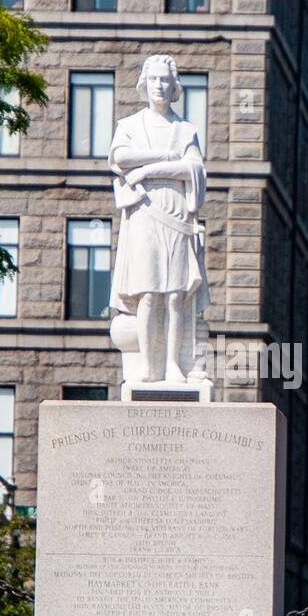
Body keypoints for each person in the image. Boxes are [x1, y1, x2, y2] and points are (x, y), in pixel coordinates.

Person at [109, 54, 210, 384]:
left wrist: (147, 171)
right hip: (144, 214)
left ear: (174, 85)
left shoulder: (186, 130)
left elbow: (193, 168)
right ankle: (148, 365)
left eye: (165, 80)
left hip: (176, 214)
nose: (159, 85)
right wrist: (165, 157)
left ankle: (173, 364)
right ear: (144, 83)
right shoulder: (129, 126)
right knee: (148, 293)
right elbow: (120, 157)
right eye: (153, 79)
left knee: (176, 296)